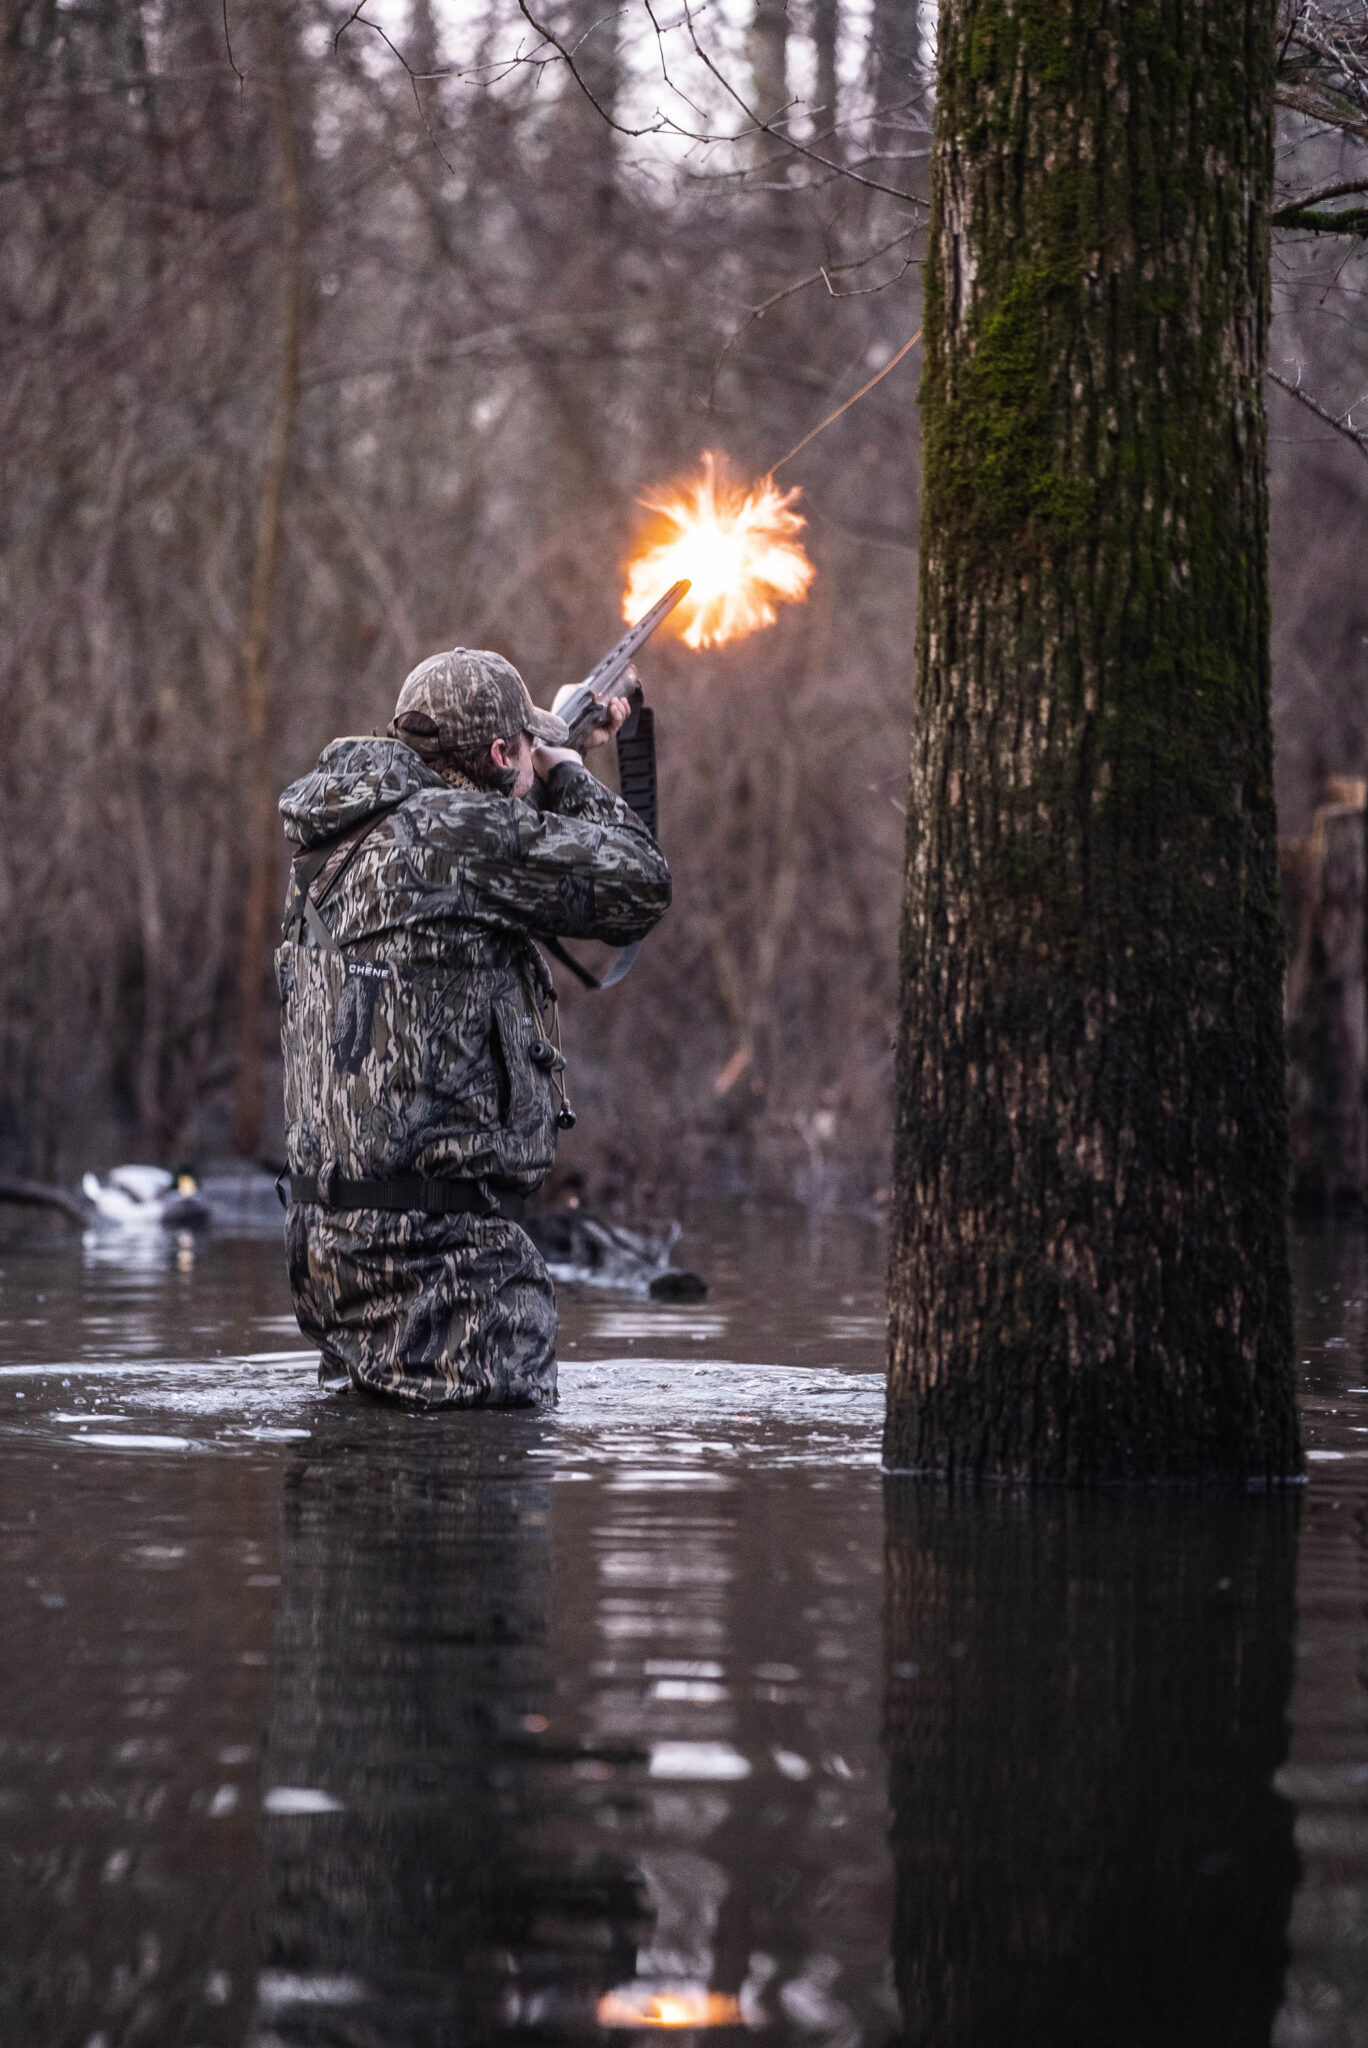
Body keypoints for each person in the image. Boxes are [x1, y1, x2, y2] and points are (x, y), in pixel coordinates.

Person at [276, 646, 671, 1408]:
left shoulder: (340, 835)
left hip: (333, 1246)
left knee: (364, 1499)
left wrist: (543, 748)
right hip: (447, 1261)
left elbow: (471, 854)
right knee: (480, 1493)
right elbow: (637, 882)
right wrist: (564, 771)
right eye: (519, 750)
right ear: (499, 754)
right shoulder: (460, 835)